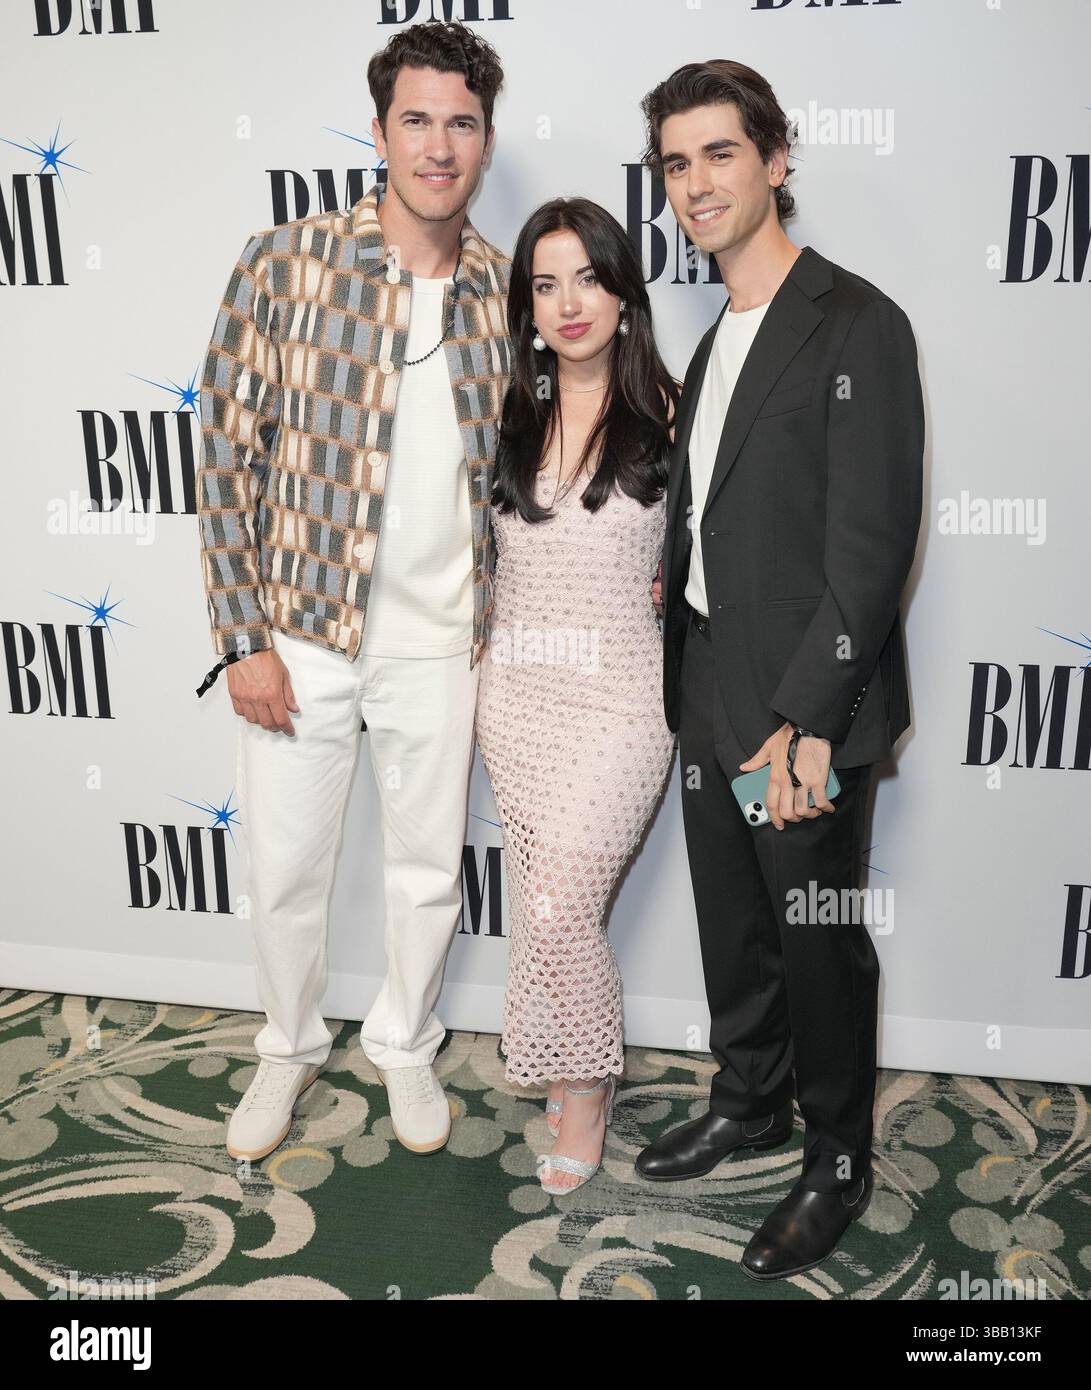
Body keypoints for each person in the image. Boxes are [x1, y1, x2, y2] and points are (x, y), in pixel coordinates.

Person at [194, 20, 511, 1162]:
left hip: (442, 640)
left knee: (427, 873)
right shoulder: (285, 262)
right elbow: (222, 454)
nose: (439, 147)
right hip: (302, 632)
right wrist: (243, 639)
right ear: (378, 132)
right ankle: (286, 1045)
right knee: (284, 868)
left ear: (485, 139)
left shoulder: (504, 288)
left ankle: (405, 1039)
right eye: (416, 120)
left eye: (461, 123)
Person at [636, 60, 924, 1278]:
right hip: (711, 683)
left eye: (718, 153)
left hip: (798, 707)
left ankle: (836, 1159)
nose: (694, 183)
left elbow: (870, 548)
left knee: (815, 938)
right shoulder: (713, 340)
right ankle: (747, 1099)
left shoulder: (856, 322)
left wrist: (808, 718)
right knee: (735, 921)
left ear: (774, 159)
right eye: (674, 163)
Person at [475, 198, 679, 1194]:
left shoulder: (672, 415)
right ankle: (565, 1064)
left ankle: (587, 1087)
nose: (568, 304)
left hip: (622, 706)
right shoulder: (507, 417)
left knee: (559, 907)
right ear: (527, 307)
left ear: (623, 294)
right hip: (515, 700)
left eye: (588, 279)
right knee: (540, 904)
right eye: (545, 284)